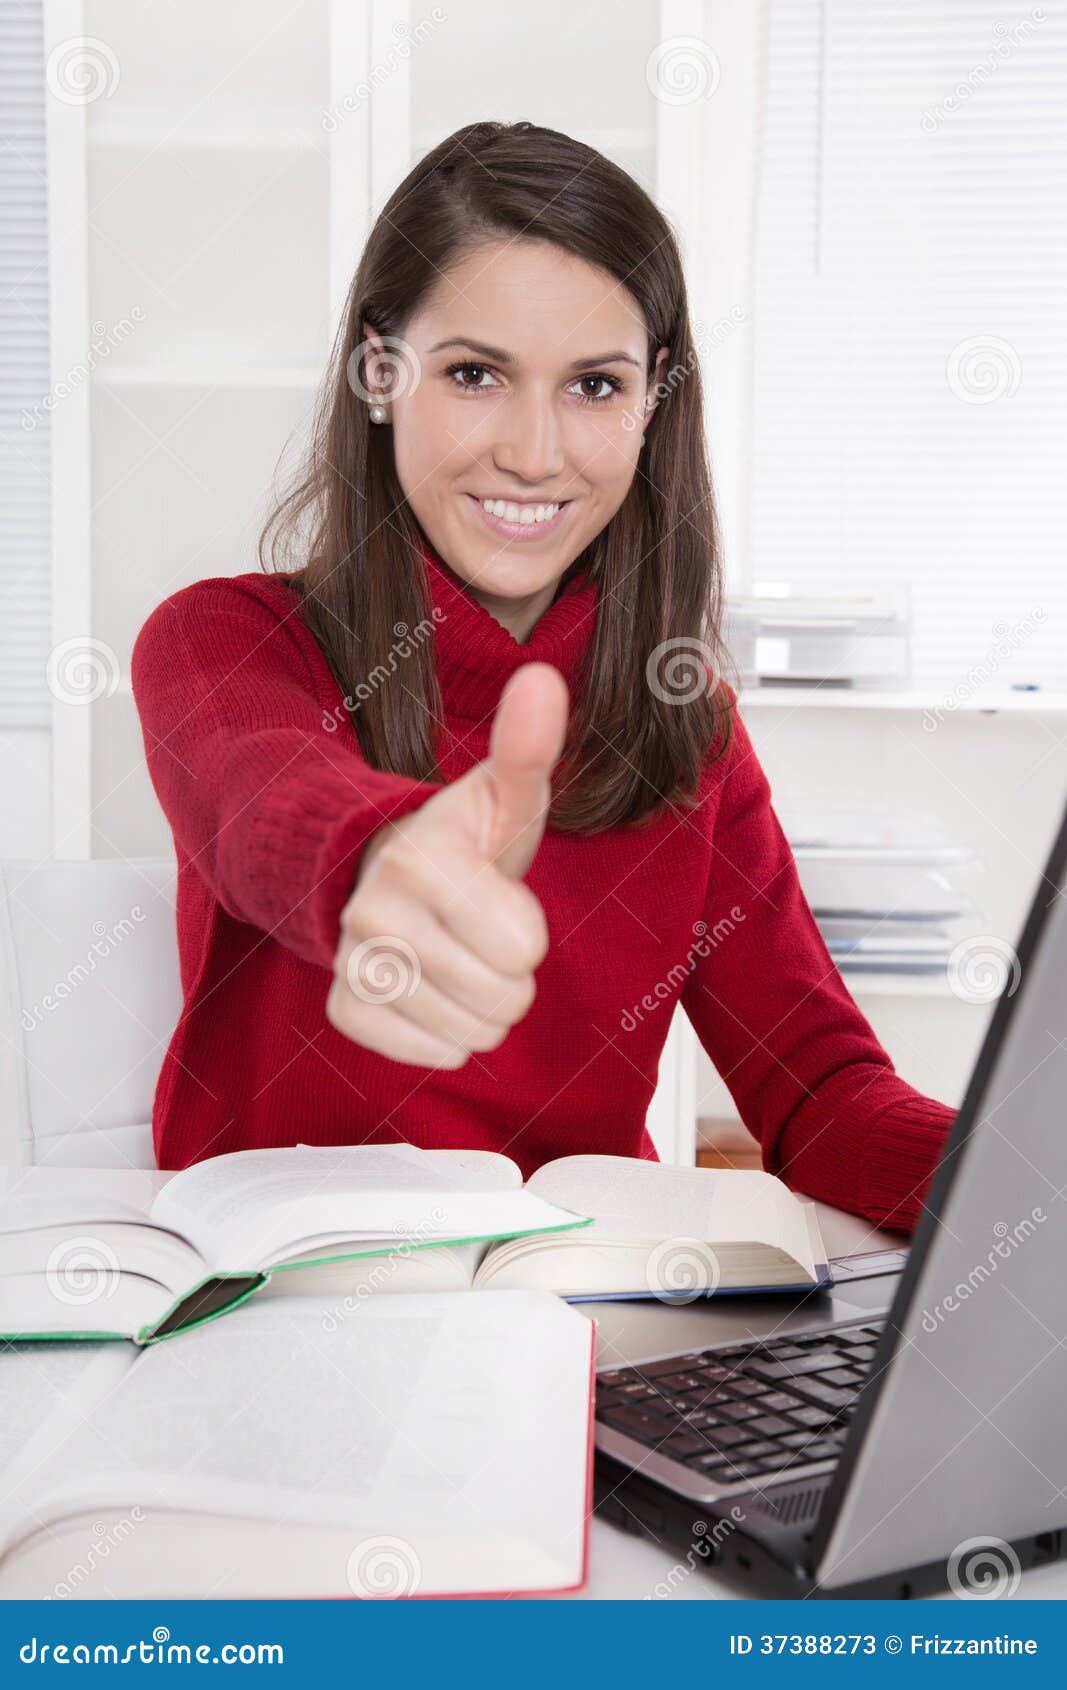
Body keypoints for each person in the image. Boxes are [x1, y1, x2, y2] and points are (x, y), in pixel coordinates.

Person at [131, 120, 954, 1230]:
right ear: (380, 372)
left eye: (594, 387)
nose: (532, 450)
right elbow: (263, 793)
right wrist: (379, 865)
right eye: (475, 373)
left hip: (576, 1310)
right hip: (279, 1320)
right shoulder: (224, 641)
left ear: (654, 397)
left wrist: (1019, 1181)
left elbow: (819, 1091)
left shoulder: (684, 725)